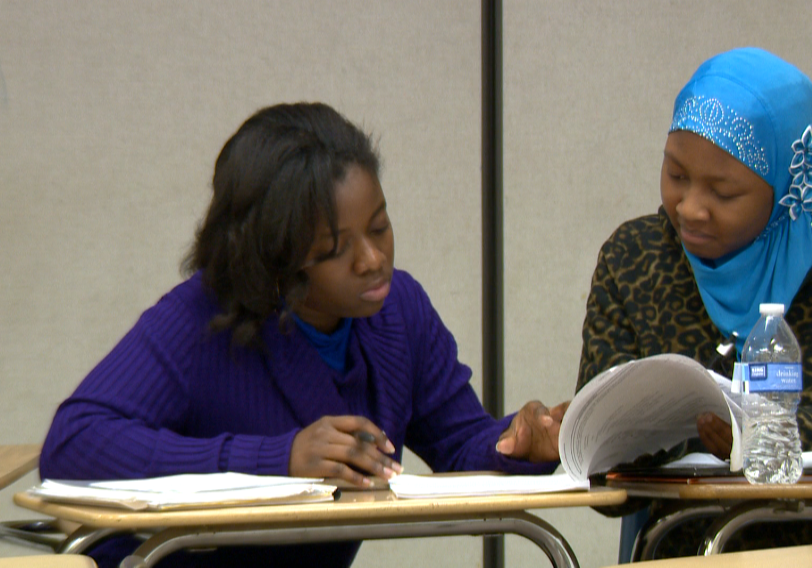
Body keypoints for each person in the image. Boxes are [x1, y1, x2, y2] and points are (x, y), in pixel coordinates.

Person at [40, 102, 565, 568]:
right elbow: (73, 442)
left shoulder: (400, 311)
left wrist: (519, 444)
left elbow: (456, 443)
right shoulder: (199, 318)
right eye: (335, 250)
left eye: (379, 226)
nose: (373, 259)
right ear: (273, 259)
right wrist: (278, 459)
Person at [577, 47, 812, 557]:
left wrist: (778, 434)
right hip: (690, 552)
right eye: (676, 176)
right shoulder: (636, 258)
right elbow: (607, 487)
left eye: (724, 192)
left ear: (785, 189)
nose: (691, 209)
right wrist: (584, 440)